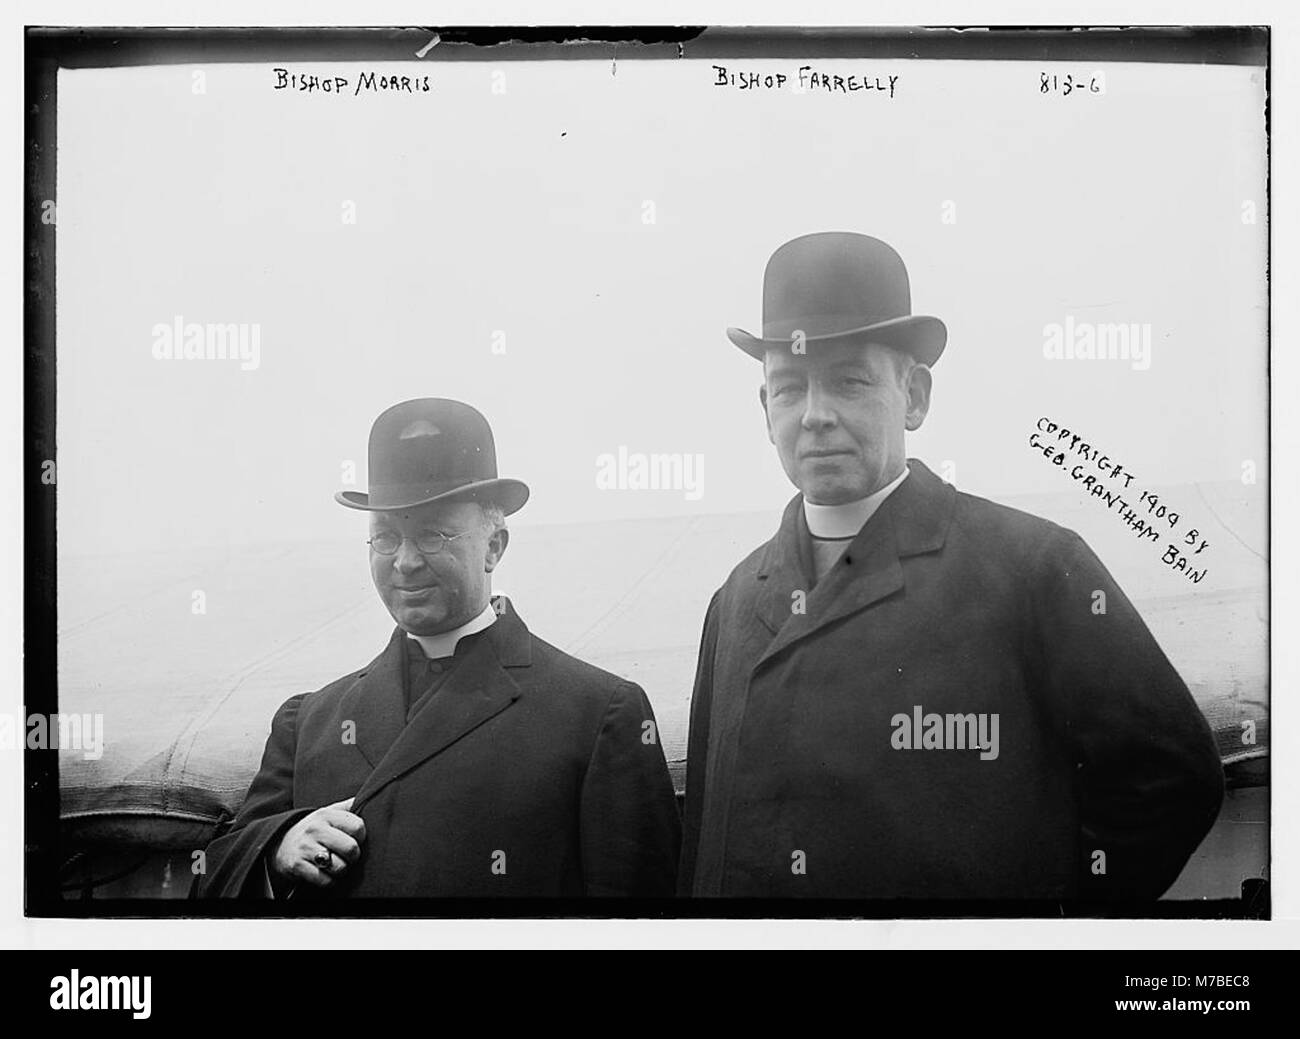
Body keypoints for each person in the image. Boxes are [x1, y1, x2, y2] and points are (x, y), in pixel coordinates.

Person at [678, 232, 1224, 900]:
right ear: (766, 412)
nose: (815, 416)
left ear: (914, 395)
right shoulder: (733, 599)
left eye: (849, 381)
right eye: (790, 388)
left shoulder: (1033, 567)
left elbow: (1175, 777)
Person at [197, 398, 679, 899]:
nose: (404, 562)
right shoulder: (310, 721)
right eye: (385, 537)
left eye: (432, 534)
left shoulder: (598, 713)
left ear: (494, 546)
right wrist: (278, 847)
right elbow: (213, 880)